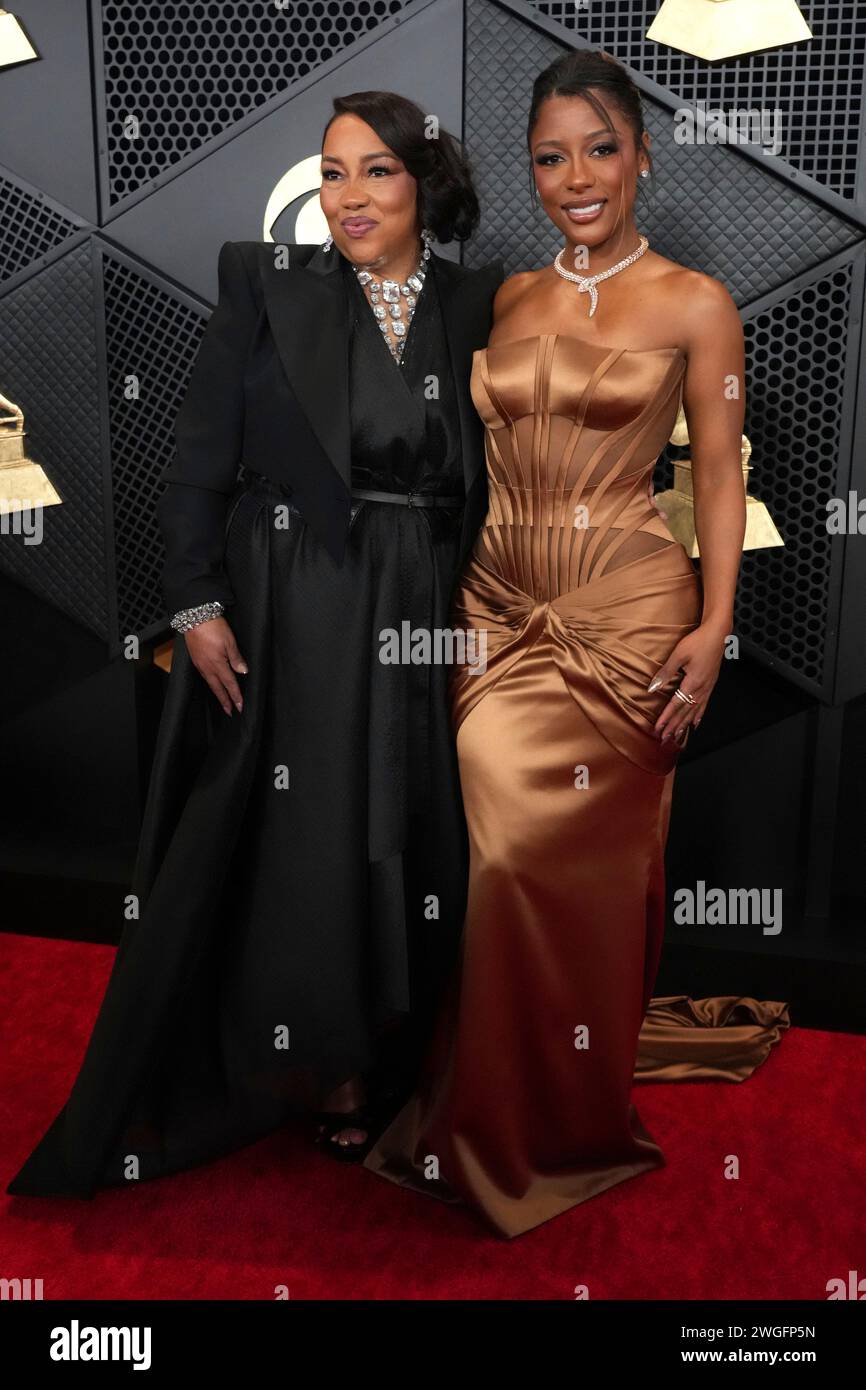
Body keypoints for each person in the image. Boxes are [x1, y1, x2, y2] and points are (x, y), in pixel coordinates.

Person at [6, 91, 505, 1198]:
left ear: (423, 180)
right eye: (330, 173)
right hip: (293, 598)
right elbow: (199, 456)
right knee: (308, 833)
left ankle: (392, 1049)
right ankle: (310, 1062)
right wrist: (195, 603)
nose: (349, 197)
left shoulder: (481, 302)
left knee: (408, 826)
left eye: (375, 171)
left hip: (424, 598)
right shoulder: (265, 281)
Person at [364, 51, 785, 1237]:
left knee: (554, 874)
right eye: (550, 157)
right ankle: (490, 1106)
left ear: (643, 154)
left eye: (599, 149)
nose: (576, 177)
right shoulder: (503, 301)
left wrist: (712, 627)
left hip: (624, 620)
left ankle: (544, 1124)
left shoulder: (697, 303)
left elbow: (715, 472)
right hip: (491, 615)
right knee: (495, 868)